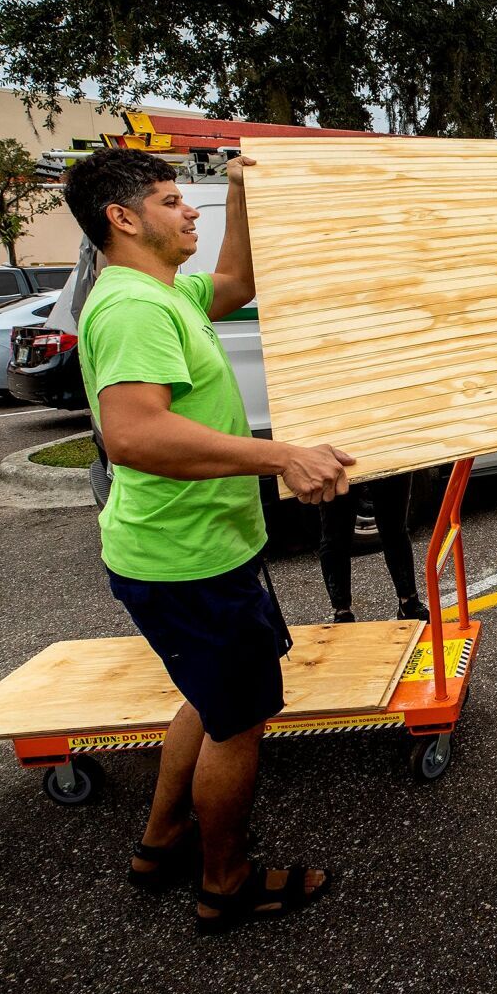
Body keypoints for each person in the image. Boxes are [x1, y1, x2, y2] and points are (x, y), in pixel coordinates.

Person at [66, 146, 354, 932]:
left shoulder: (164, 290)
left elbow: (237, 284)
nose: (189, 210)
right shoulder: (134, 309)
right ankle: (224, 882)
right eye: (170, 200)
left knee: (205, 698)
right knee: (238, 721)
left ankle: (160, 844)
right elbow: (132, 435)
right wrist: (281, 454)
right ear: (121, 219)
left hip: (203, 550)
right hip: (185, 560)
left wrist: (238, 191)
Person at [318, 473, 430, 623]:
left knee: (395, 530)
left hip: (387, 455)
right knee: (335, 537)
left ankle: (408, 603)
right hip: (335, 458)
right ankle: (342, 612)